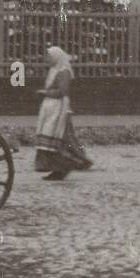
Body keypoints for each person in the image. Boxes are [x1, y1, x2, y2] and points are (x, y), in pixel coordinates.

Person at [34, 45, 92, 180]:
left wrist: (45, 92)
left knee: (57, 136)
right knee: (51, 135)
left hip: (58, 108)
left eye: (49, 56)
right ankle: (57, 168)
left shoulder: (63, 71)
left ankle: (66, 165)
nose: (46, 59)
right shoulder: (53, 70)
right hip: (50, 107)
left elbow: (63, 91)